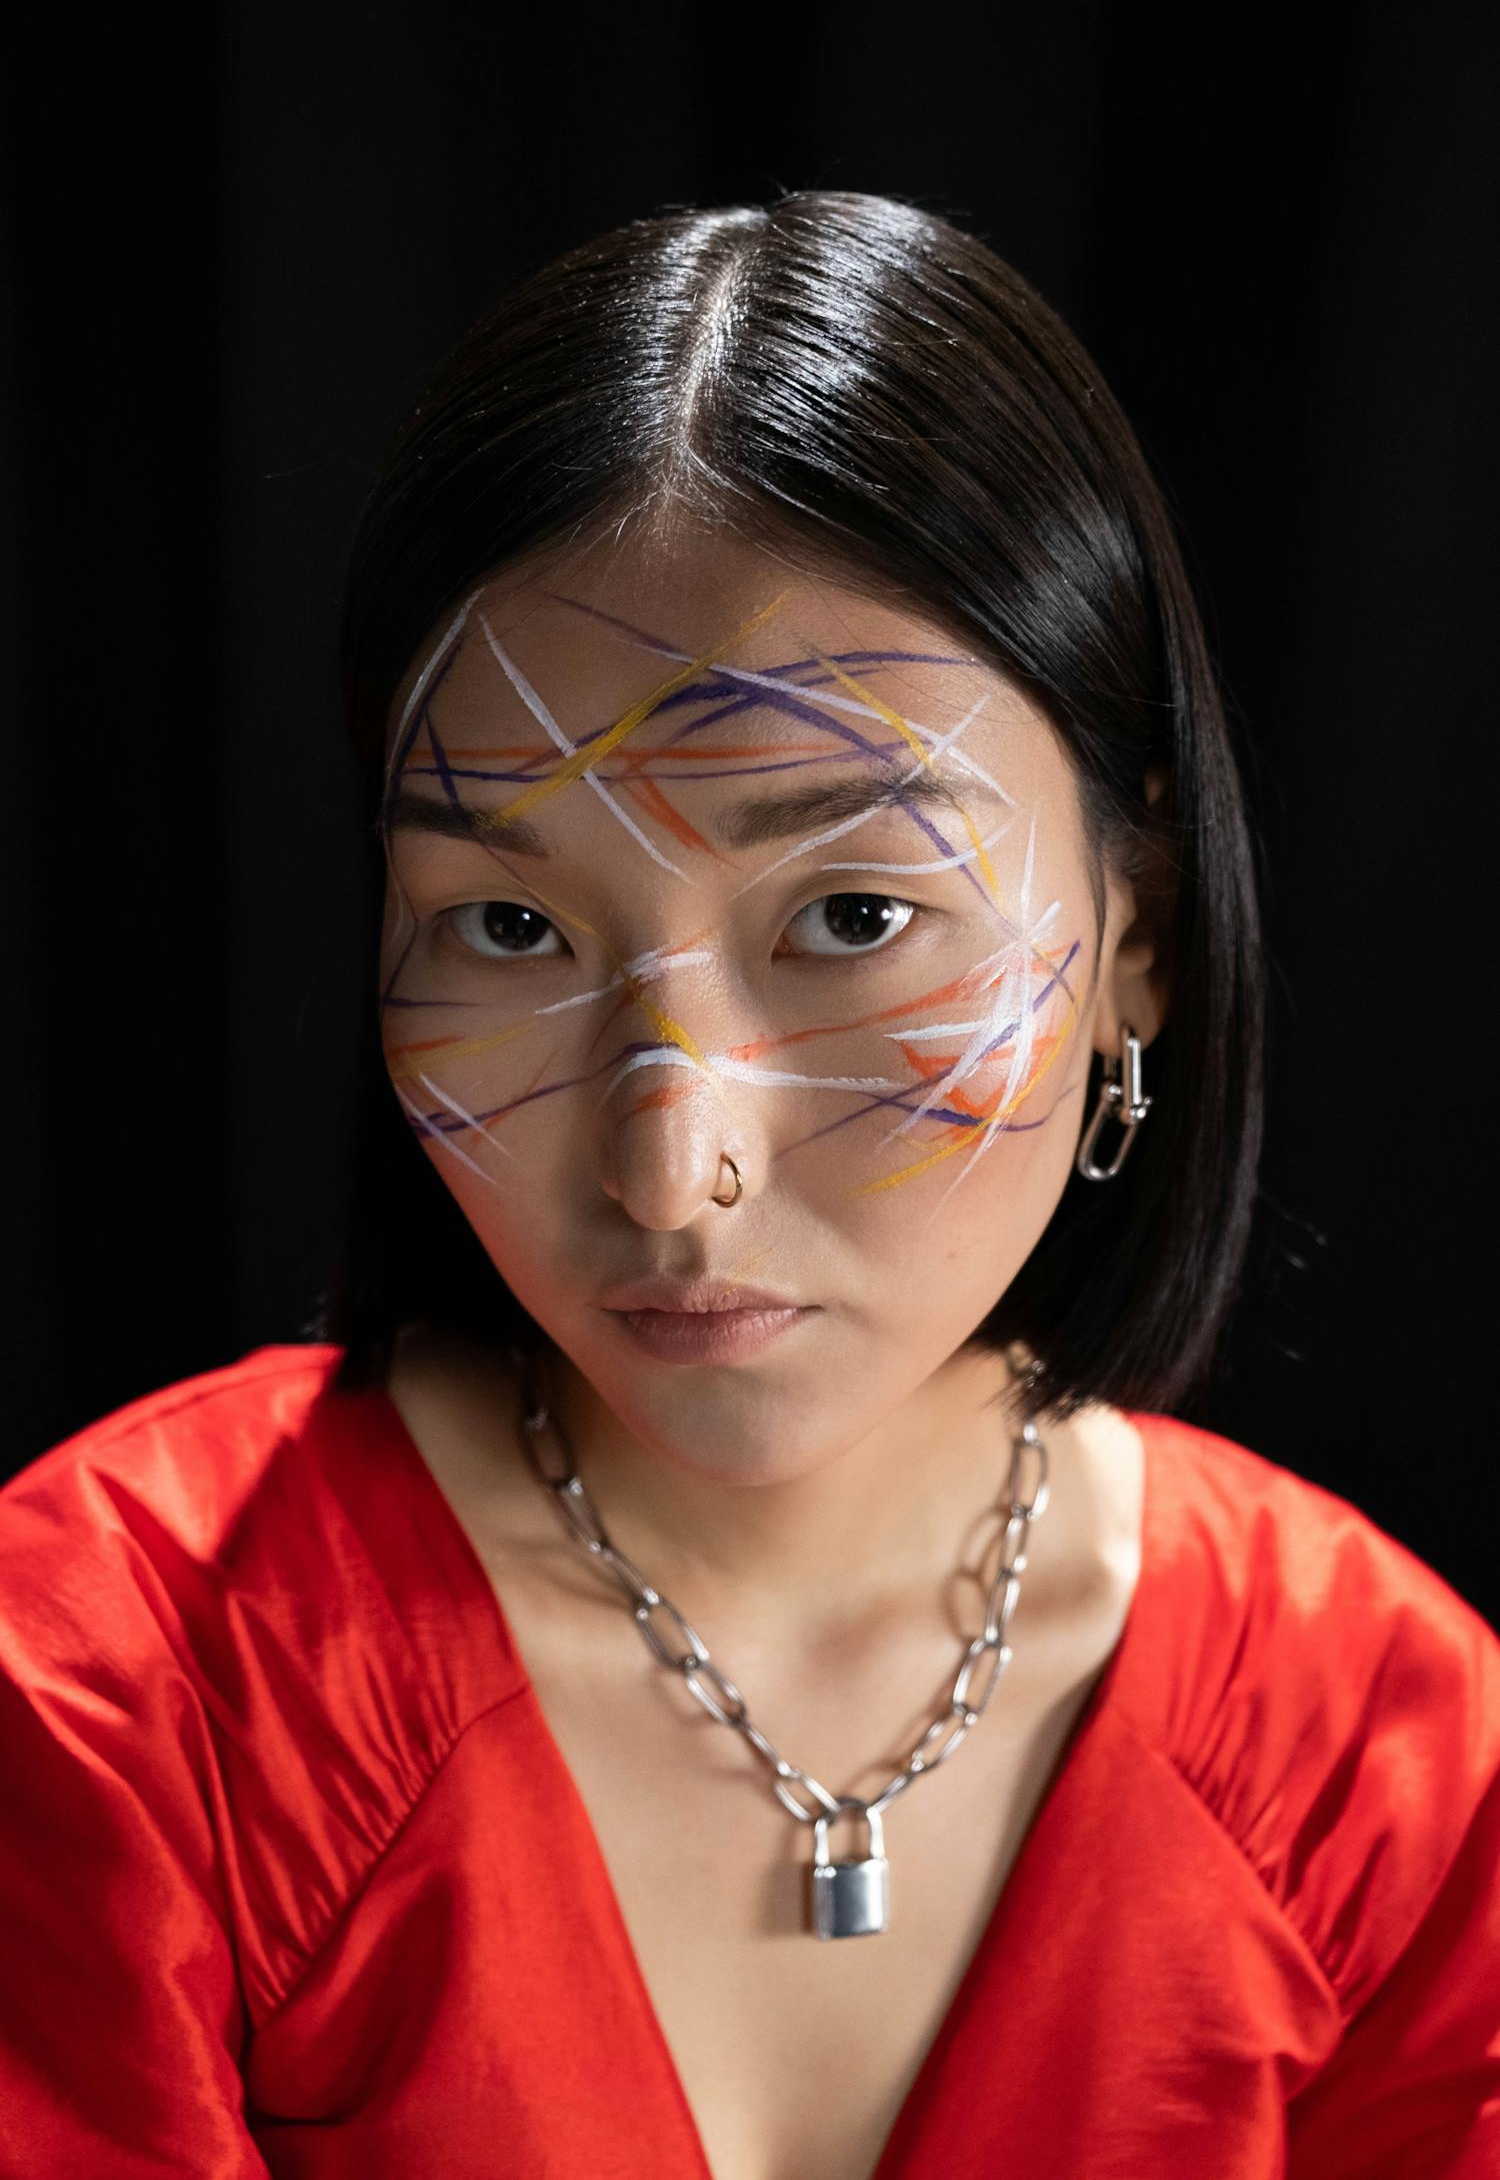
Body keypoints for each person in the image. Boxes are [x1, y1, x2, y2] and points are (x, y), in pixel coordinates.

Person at [1, 191, 1495, 2180]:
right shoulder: (108, 1683)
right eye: (510, 927)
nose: (671, 1163)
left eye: (854, 914)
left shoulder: (1394, 1759)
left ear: (1139, 933)